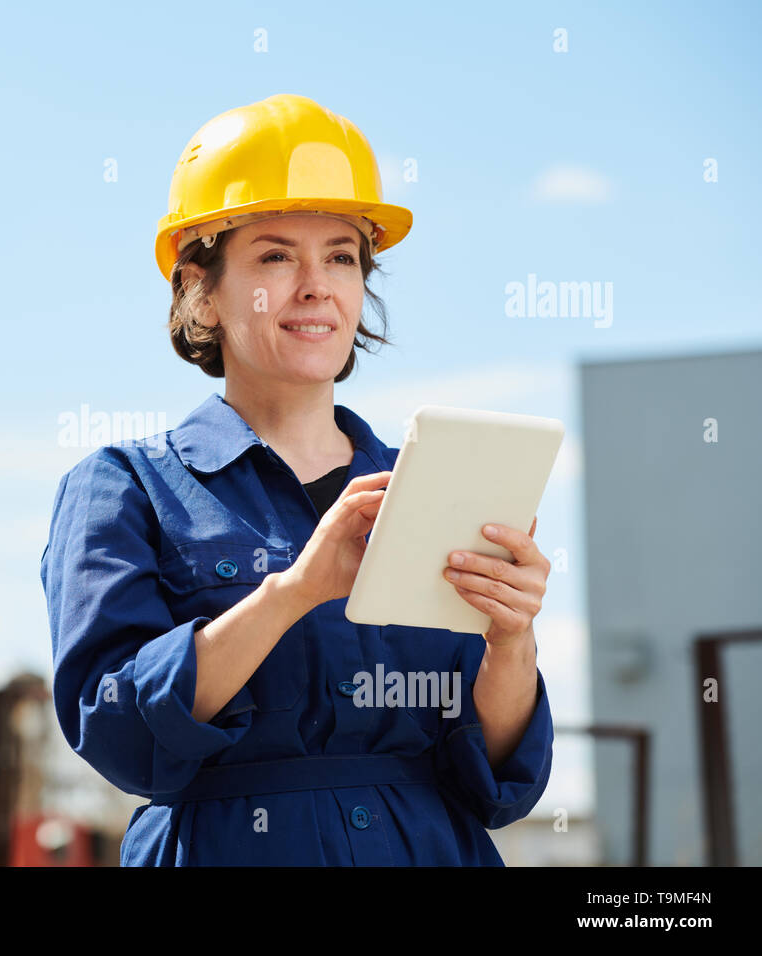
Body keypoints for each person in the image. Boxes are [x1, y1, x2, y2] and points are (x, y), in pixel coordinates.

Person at [40, 94, 553, 866]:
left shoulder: (433, 487)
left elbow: (496, 783)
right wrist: (294, 592)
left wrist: (512, 641)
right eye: (276, 256)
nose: (316, 286)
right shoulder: (125, 487)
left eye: (341, 256)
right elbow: (117, 734)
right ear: (199, 288)